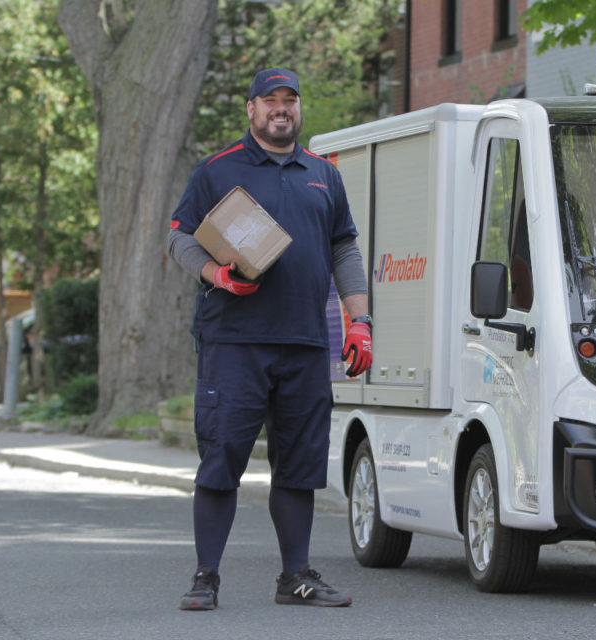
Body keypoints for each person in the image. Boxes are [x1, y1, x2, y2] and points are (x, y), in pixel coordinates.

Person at [166, 67, 372, 610]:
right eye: (270, 100)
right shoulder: (217, 170)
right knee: (223, 455)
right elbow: (181, 237)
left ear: (298, 109)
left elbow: (345, 248)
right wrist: (217, 275)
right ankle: (205, 576)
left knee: (300, 463)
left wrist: (360, 321)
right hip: (234, 340)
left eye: (290, 100)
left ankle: (296, 577)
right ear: (251, 109)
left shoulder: (323, 174)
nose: (281, 109)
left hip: (305, 341)